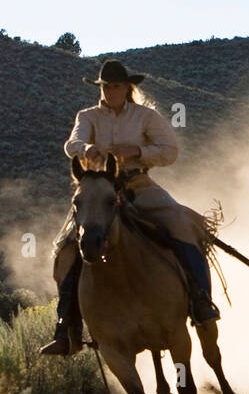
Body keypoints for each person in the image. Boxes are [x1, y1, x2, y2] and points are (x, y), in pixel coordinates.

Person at [39, 59, 220, 357]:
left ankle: (201, 302)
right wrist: (86, 149)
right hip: (99, 191)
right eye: (106, 87)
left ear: (127, 87)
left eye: (116, 86)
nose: (111, 91)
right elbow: (72, 142)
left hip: (139, 186)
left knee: (182, 226)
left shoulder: (146, 117)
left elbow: (170, 151)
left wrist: (138, 151)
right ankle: (66, 328)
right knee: (67, 249)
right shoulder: (88, 116)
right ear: (101, 88)